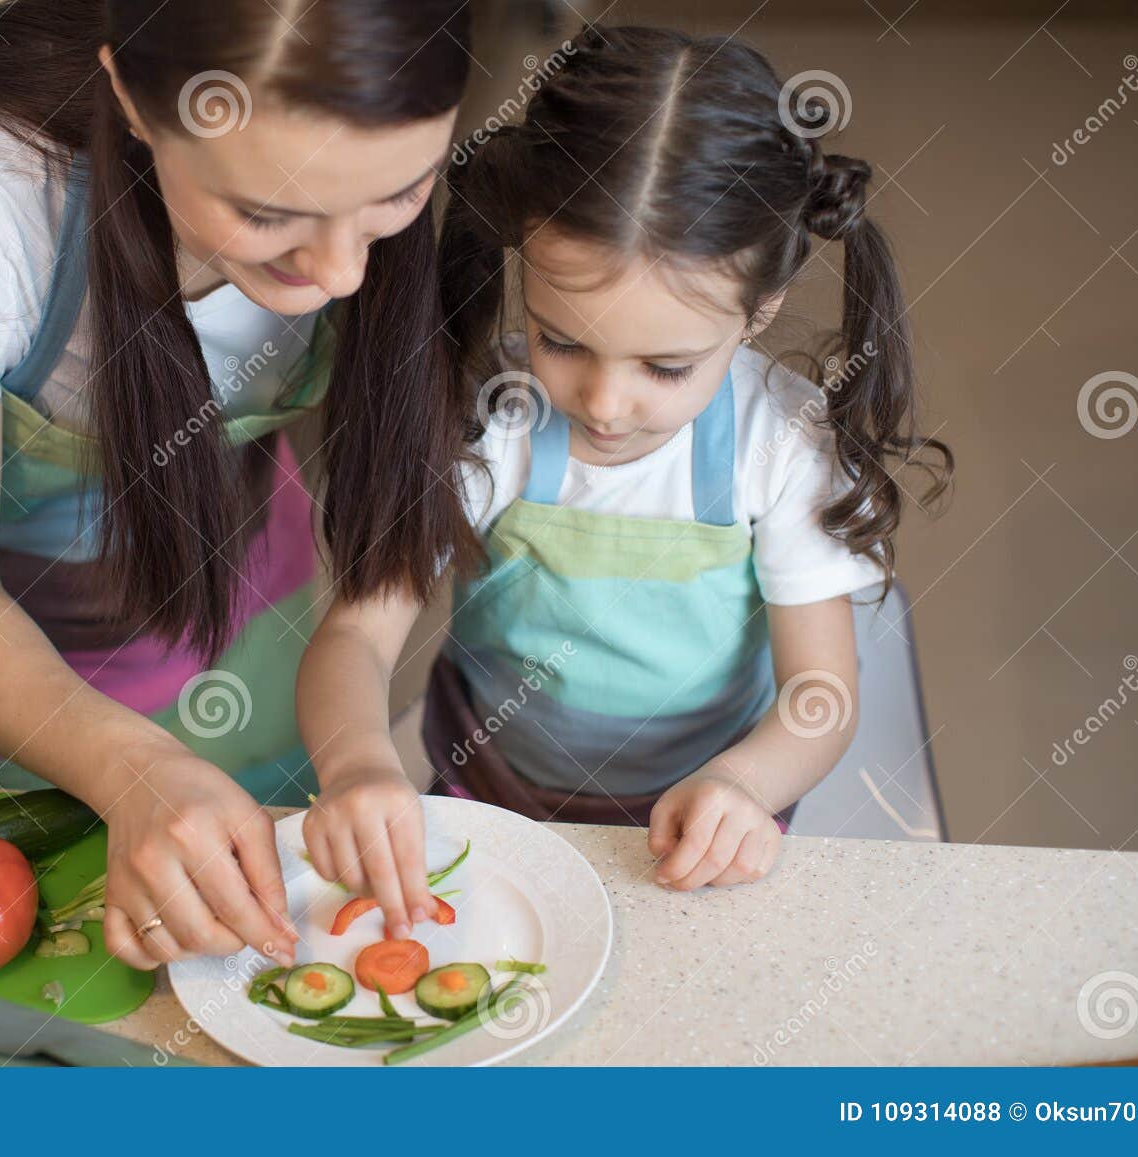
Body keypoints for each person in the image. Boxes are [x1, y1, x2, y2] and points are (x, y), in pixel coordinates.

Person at [0, 0, 478, 970]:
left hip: (243, 614)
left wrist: (354, 750)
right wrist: (131, 772)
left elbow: (394, 498)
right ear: (129, 89)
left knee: (260, 956)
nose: (341, 272)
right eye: (264, 214)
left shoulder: (366, 166)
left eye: (399, 194)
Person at [297, 24, 953, 935]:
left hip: (700, 829)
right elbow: (354, 642)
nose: (604, 401)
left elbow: (821, 698)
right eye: (563, 340)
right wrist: (359, 763)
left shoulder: (781, 443)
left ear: (759, 310)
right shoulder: (496, 416)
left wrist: (742, 783)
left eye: (667, 366)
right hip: (491, 795)